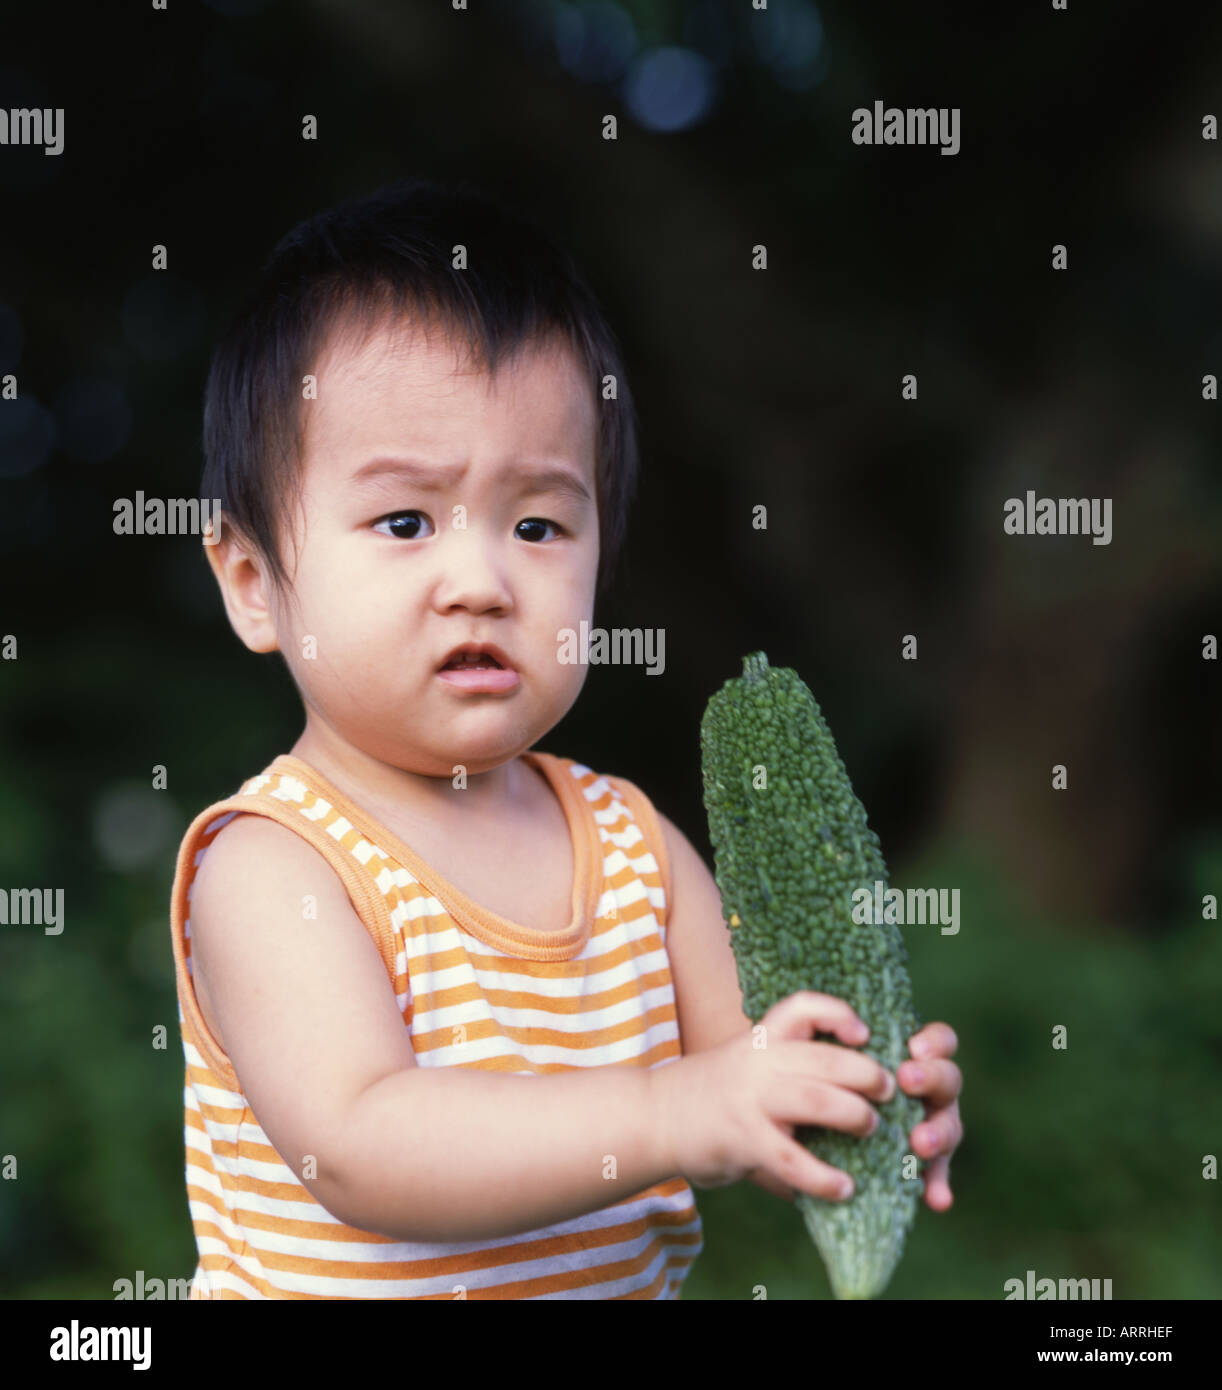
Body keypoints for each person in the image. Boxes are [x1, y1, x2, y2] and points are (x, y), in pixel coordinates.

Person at [169, 177, 963, 1299]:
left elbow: (755, 1073)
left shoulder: (636, 850)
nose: (481, 581)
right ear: (254, 581)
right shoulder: (272, 864)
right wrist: (670, 1109)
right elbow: (356, 1143)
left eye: (537, 523)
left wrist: (859, 1098)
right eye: (404, 521)